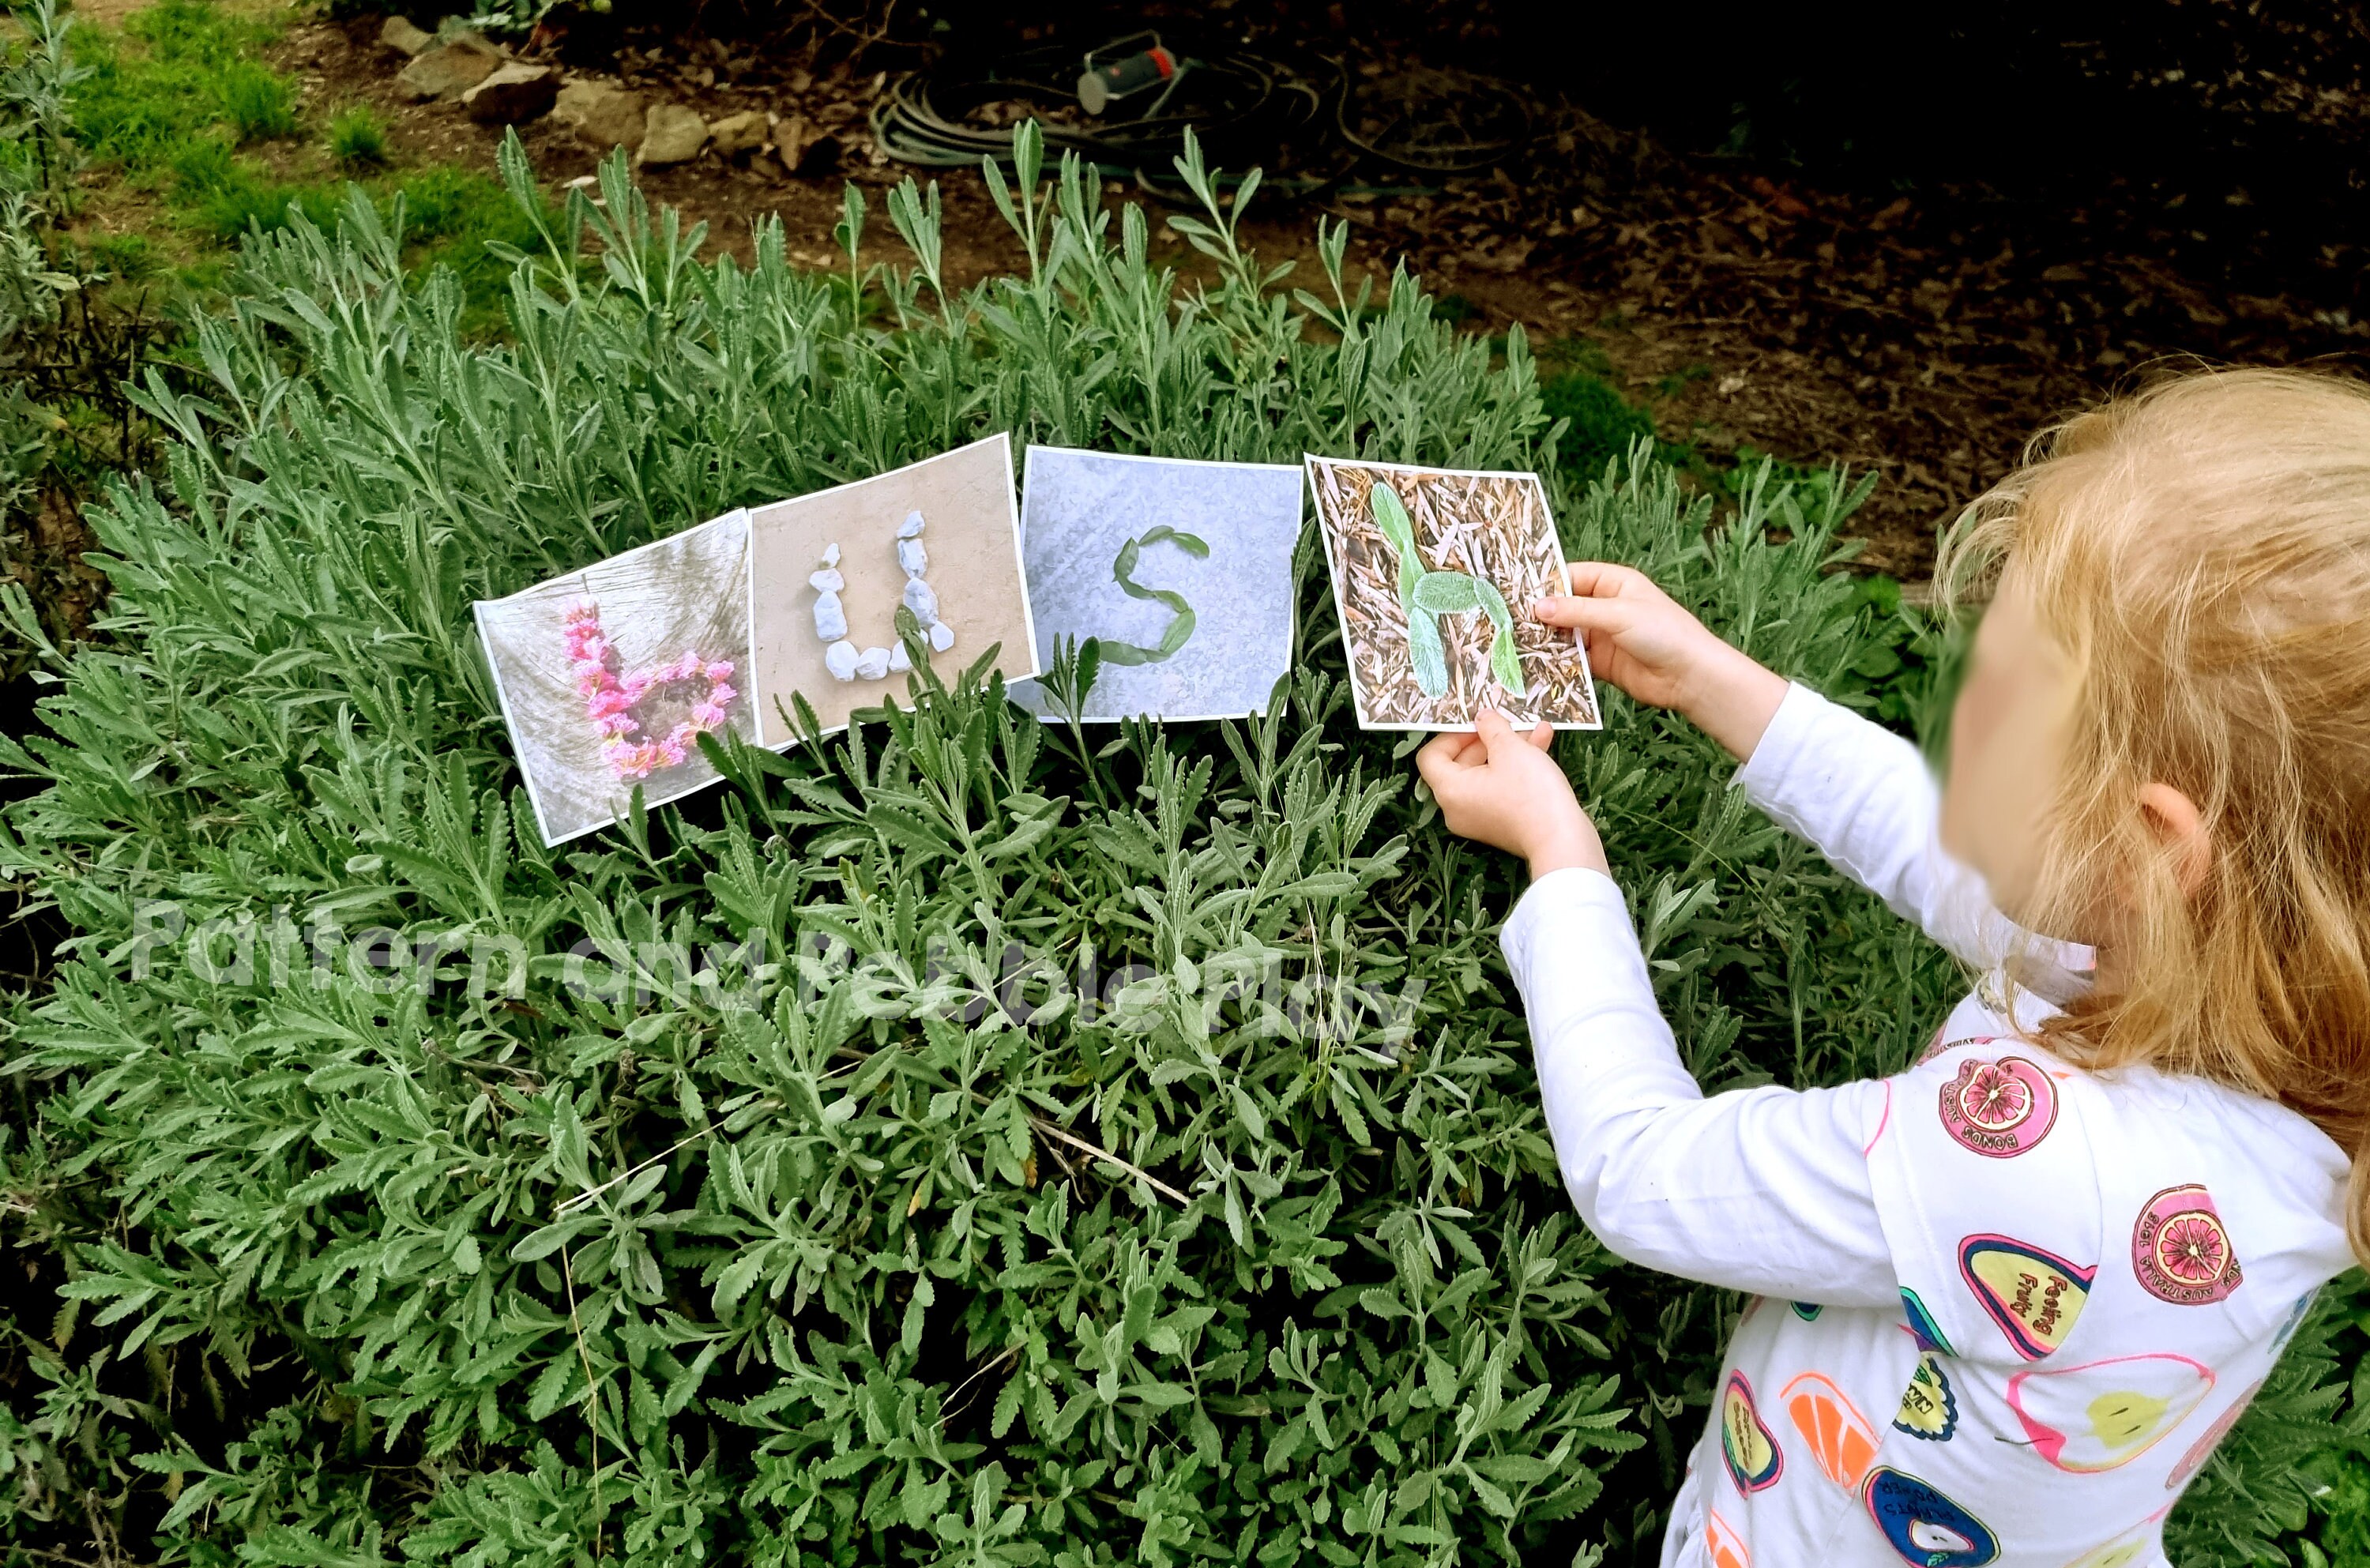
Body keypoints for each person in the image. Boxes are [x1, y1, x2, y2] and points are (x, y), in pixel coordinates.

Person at [1416, 367, 2370, 1568]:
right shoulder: (2274, 1037)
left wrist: (1561, 858)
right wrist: (1716, 682)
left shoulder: (2034, 1167)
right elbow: (1969, 867)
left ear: (2150, 847)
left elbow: (1643, 1174)